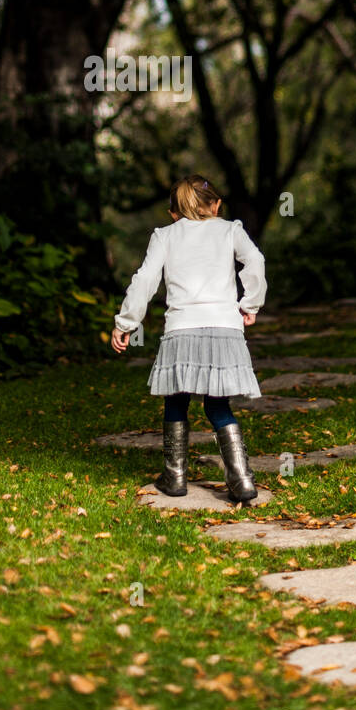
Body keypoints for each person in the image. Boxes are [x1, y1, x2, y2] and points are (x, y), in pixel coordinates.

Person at [110, 174, 267, 502]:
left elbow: (145, 280)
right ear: (216, 205)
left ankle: (175, 476)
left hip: (182, 328)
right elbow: (255, 260)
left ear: (172, 213)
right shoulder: (229, 230)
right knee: (218, 404)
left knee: (176, 400)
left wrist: (126, 322)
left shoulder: (165, 236)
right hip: (224, 328)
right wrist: (249, 304)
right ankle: (240, 479)